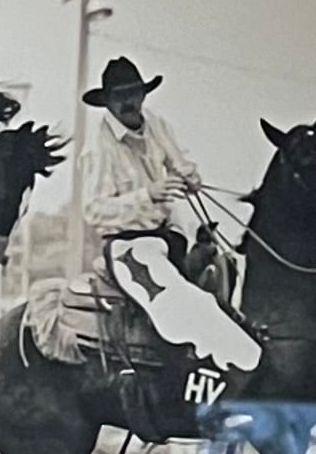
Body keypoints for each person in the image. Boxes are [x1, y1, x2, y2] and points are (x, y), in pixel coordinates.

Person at [80, 54, 262, 384]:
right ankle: (192, 373)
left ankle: (236, 346)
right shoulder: (98, 145)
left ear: (144, 94)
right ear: (107, 102)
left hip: (169, 235)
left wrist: (190, 177)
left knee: (226, 265)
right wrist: (148, 194)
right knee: (183, 301)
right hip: (128, 245)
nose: (129, 102)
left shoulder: (157, 125)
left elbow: (181, 163)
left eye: (134, 93)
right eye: (120, 97)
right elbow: (93, 209)